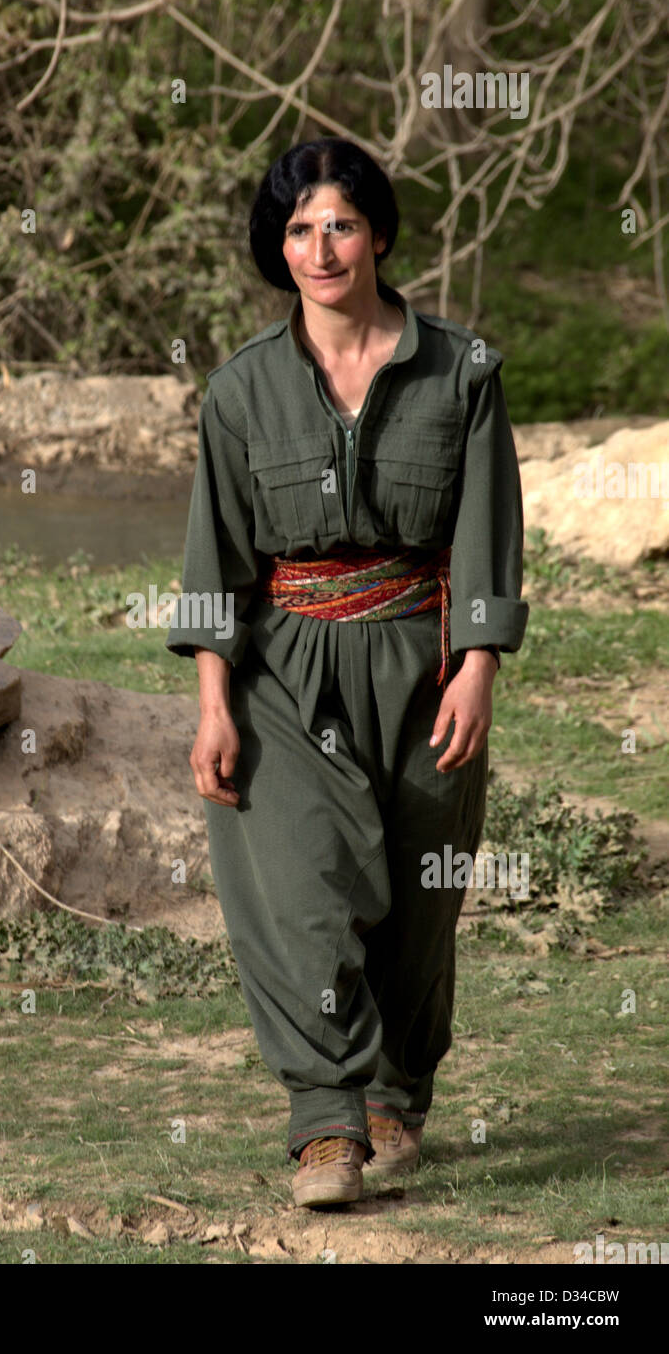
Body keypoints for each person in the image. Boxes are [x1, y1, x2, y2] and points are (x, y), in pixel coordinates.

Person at [165, 137, 528, 1209]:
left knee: (422, 901)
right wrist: (213, 704)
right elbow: (215, 559)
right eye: (298, 228)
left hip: (424, 666)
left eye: (341, 223)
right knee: (296, 883)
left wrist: (477, 669)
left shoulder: (461, 375)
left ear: (377, 235)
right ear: (276, 249)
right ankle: (327, 1120)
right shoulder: (237, 396)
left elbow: (485, 534)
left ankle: (396, 1096)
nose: (321, 247)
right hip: (284, 668)